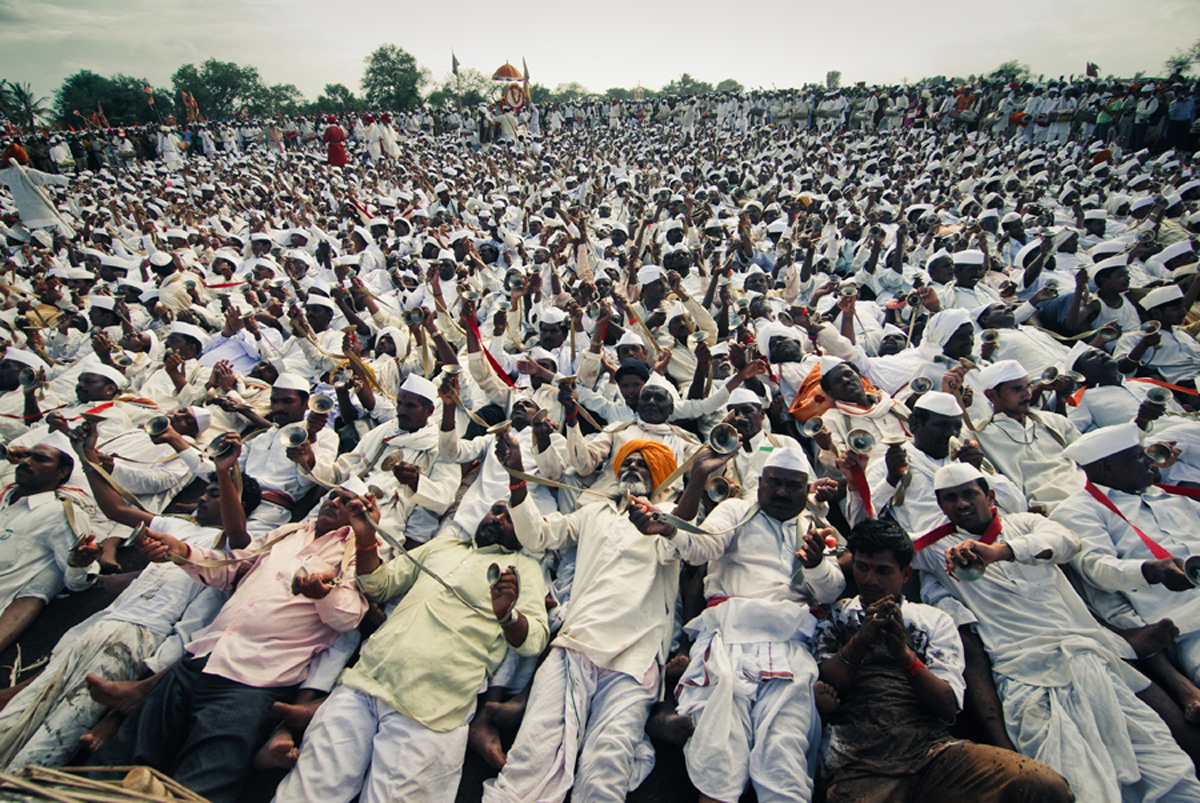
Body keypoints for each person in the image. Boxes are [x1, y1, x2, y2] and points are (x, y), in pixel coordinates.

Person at [916, 462, 1200, 802]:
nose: (961, 504)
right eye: (950, 499)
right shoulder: (936, 548)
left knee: (1167, 770)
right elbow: (883, 547)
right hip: (1025, 678)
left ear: (989, 495)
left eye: (968, 494)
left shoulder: (1026, 524)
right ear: (940, 506)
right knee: (1079, 784)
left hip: (1091, 659)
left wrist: (999, 553)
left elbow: (1068, 541)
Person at [87, 484, 373, 803]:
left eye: (346, 501)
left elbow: (348, 618)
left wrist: (325, 594)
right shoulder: (290, 532)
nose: (334, 502)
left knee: (201, 785)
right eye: (333, 496)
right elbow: (230, 569)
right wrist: (181, 552)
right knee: (114, 766)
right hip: (203, 658)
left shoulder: (355, 552)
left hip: (254, 680)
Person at [483, 435, 725, 803]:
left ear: (659, 478)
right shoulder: (594, 512)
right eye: (627, 462)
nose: (631, 467)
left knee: (606, 770)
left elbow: (689, 548)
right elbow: (539, 535)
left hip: (635, 659)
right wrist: (517, 480)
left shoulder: (668, 518)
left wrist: (693, 484)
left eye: (642, 464)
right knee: (530, 757)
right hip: (575, 646)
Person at [274, 500, 549, 802]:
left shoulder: (523, 569)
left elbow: (534, 640)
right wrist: (366, 539)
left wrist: (508, 615)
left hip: (432, 709)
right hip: (363, 684)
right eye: (496, 510)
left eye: (510, 519)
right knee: (304, 794)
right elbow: (379, 585)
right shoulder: (444, 546)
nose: (497, 518)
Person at [814, 518, 1072, 802]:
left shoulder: (933, 620)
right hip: (858, 762)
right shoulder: (836, 616)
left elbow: (946, 704)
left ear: (906, 573)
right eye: (862, 567)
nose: (870, 579)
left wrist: (904, 655)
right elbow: (828, 684)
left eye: (883, 571)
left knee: (1043, 786)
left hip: (933, 754)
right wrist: (860, 642)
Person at [657, 447, 844, 803]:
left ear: (808, 490)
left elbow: (831, 590)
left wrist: (818, 565)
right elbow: (699, 548)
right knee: (718, 751)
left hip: (788, 647)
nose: (783, 493)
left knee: (784, 753)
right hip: (728, 638)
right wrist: (677, 523)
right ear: (760, 484)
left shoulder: (813, 527)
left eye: (793, 486)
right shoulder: (736, 510)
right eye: (774, 483)